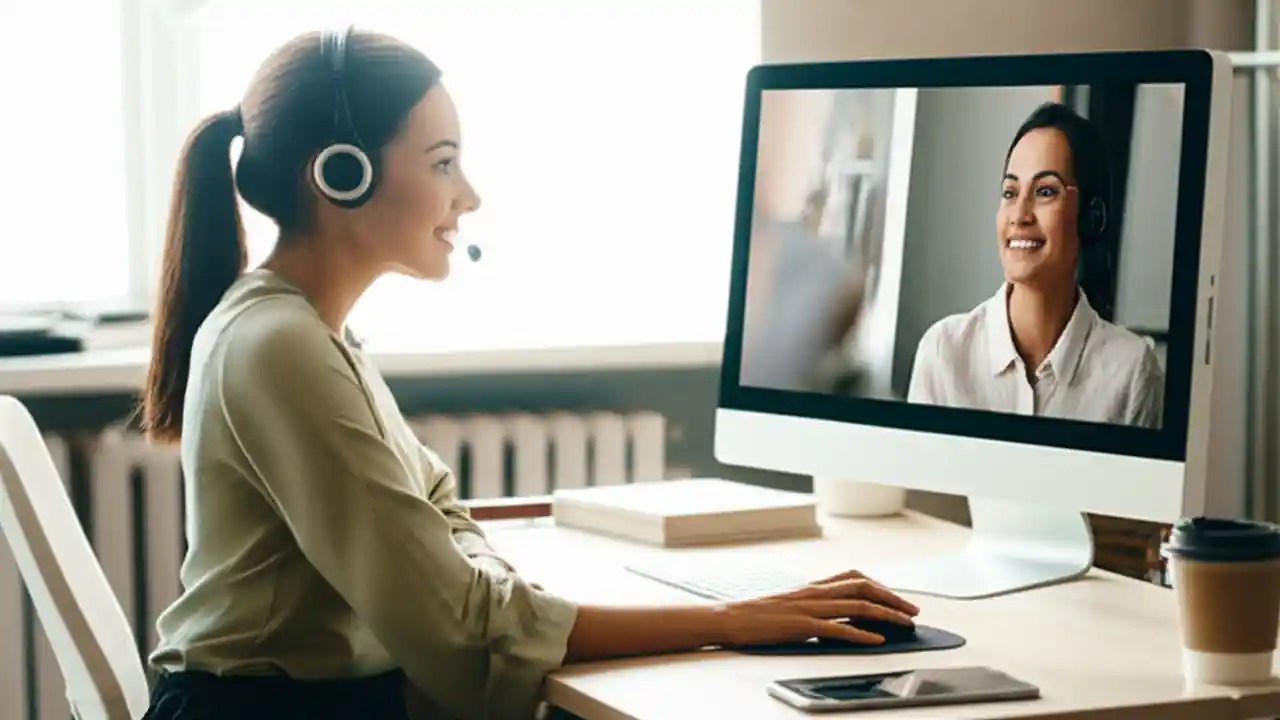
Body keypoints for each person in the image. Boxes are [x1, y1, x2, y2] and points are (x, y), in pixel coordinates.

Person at [137, 27, 921, 720]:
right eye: (443, 163)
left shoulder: (310, 332)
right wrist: (732, 622)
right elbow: (460, 618)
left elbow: (443, 517)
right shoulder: (280, 346)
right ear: (343, 174)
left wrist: (475, 581)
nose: (468, 195)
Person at [907, 102, 1164, 428]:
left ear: (1090, 216)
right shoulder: (944, 351)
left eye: (1045, 191)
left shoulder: (1132, 372)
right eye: (1010, 192)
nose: (1019, 215)